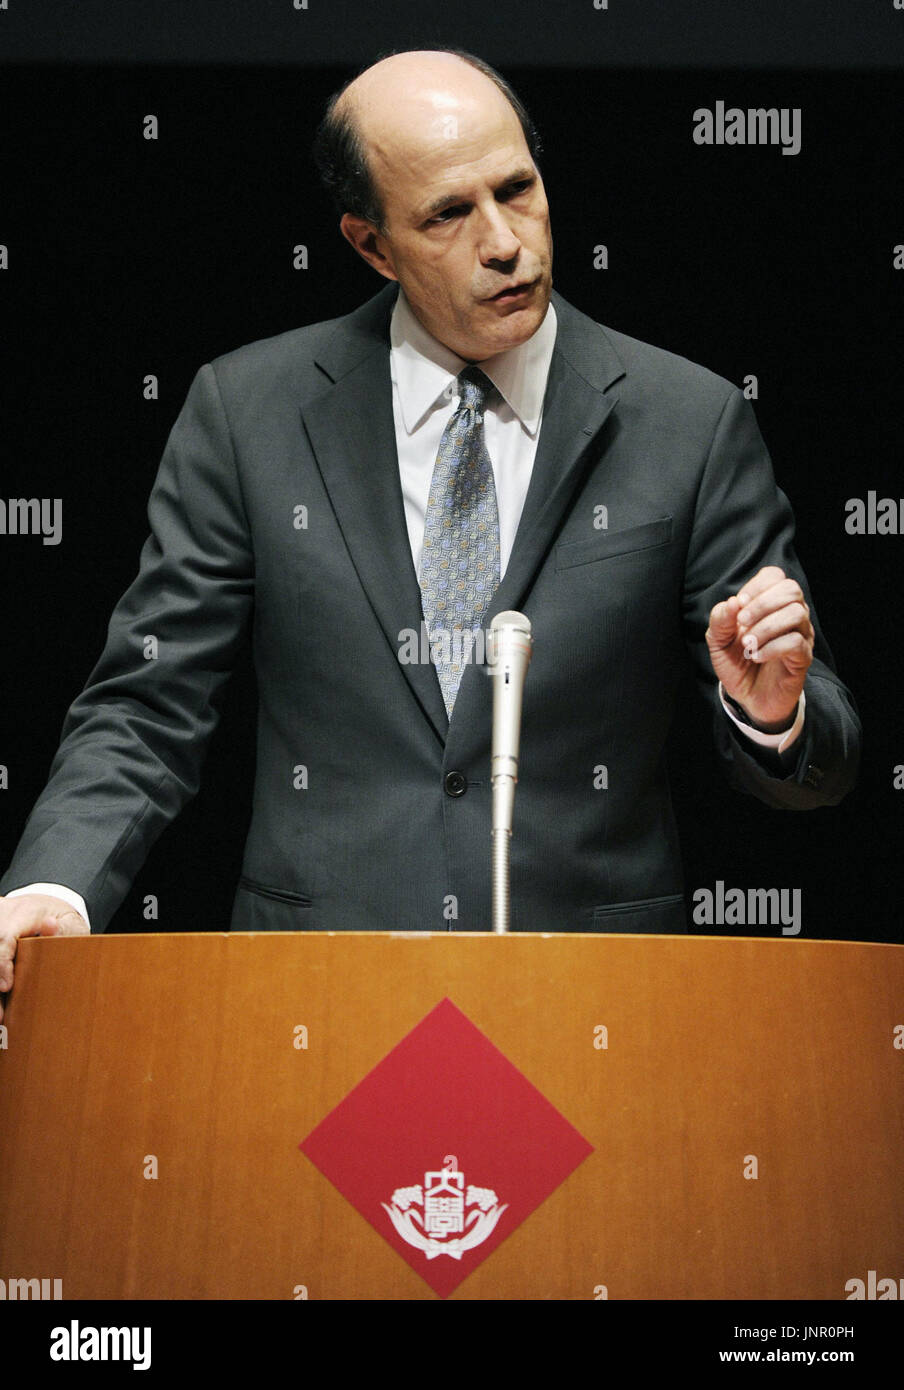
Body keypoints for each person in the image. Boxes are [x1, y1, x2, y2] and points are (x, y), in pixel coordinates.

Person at [0, 49, 860, 1019]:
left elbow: (817, 765)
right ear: (370, 245)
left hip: (597, 1006)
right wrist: (56, 885)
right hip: (314, 1000)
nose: (505, 242)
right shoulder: (249, 412)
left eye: (517, 189)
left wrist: (771, 713)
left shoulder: (688, 420)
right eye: (449, 214)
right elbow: (150, 702)